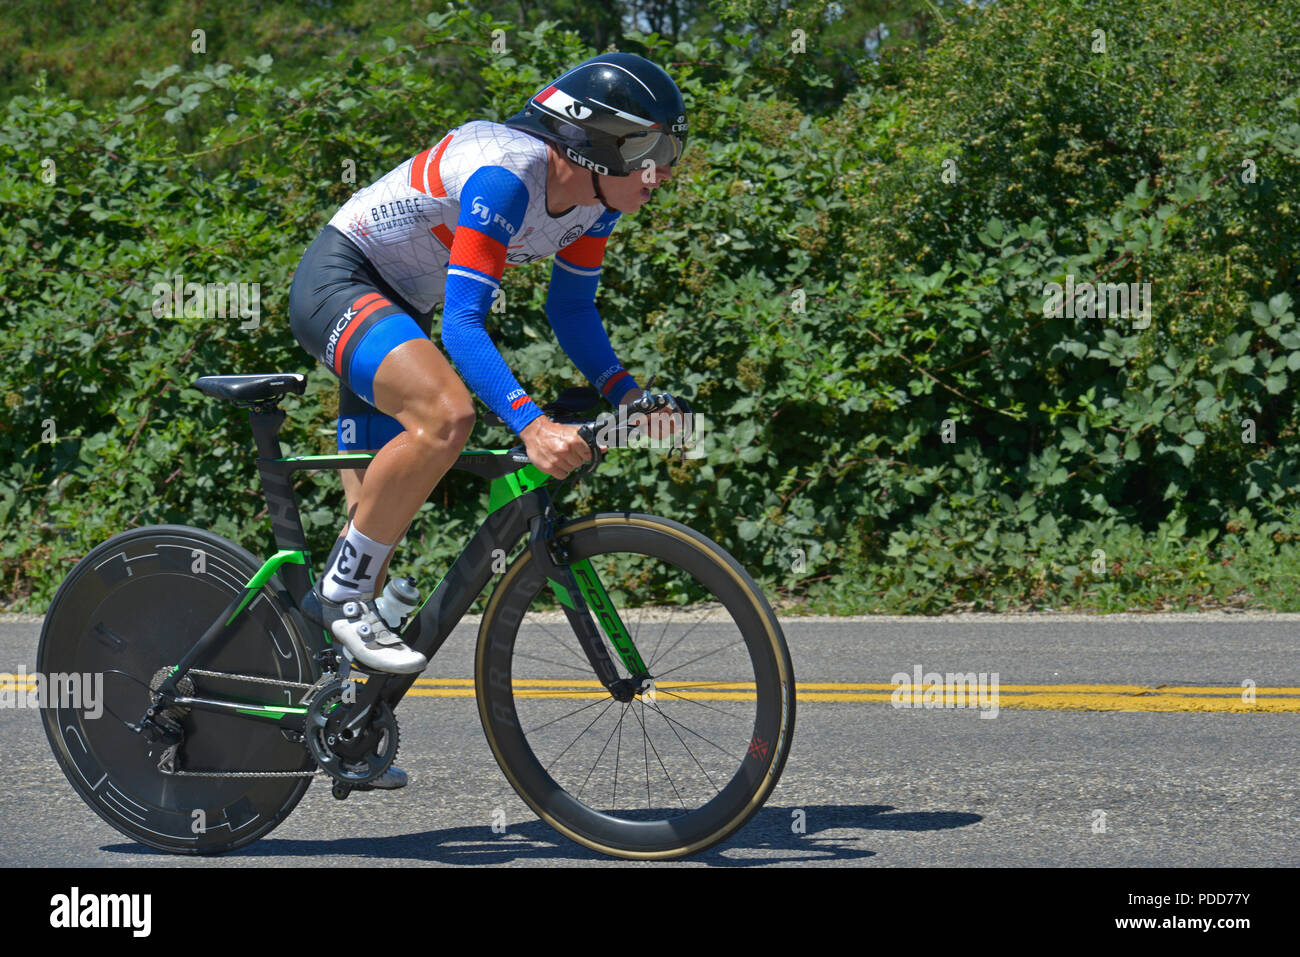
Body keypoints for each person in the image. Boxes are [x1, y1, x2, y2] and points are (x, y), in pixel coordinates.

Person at [288, 53, 687, 693]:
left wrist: (628, 394)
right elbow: (464, 326)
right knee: (447, 416)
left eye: (673, 150)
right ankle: (339, 597)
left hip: (400, 305)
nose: (661, 171)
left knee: (371, 522)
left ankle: (334, 716)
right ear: (595, 143)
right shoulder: (506, 176)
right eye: (651, 147)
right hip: (341, 280)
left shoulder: (594, 204)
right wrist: (531, 425)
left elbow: (572, 309)